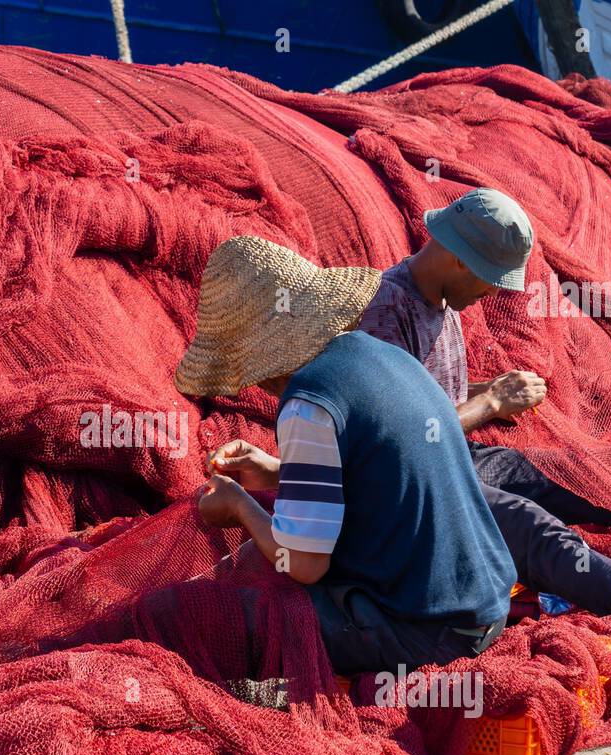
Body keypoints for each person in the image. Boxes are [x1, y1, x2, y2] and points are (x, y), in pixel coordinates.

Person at [351, 187, 611, 623]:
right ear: (459, 260)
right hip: (414, 486)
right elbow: (404, 440)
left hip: (461, 457)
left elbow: (425, 395)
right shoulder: (384, 310)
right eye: (490, 278)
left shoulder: (443, 297)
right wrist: (490, 402)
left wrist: (487, 389)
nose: (491, 293)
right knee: (533, 527)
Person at [174, 235, 516, 674]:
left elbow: (303, 565)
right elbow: (376, 473)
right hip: (486, 605)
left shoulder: (308, 402)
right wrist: (274, 472)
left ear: (253, 359)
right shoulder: (387, 356)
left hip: (432, 631)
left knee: (206, 618)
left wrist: (239, 507)